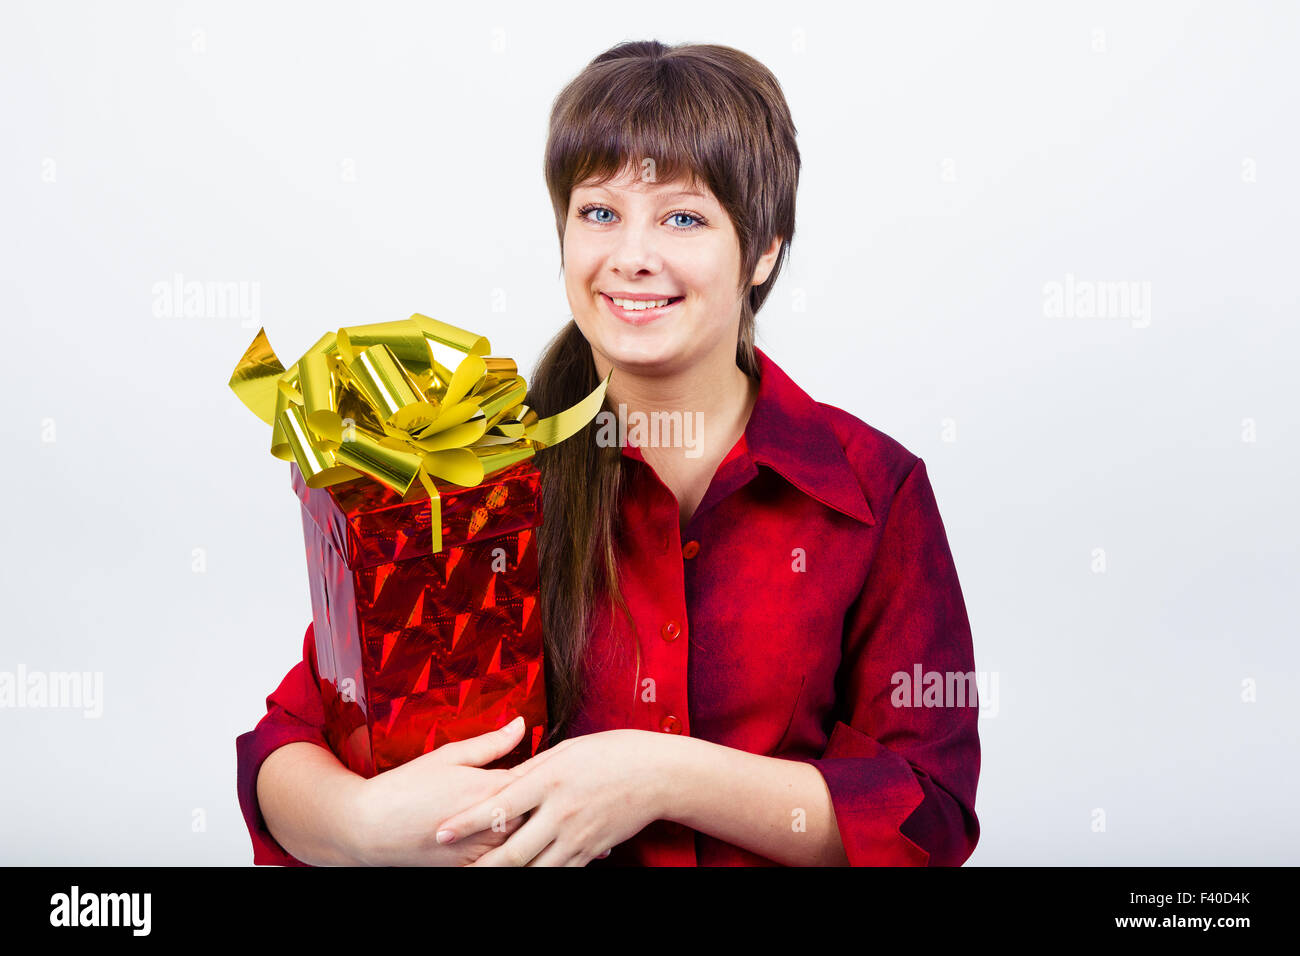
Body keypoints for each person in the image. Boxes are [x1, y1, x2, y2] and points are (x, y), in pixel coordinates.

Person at [236, 39, 981, 867]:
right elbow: (290, 744)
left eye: (683, 217)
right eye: (599, 212)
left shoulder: (876, 490)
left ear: (765, 248)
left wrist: (660, 777)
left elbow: (928, 813)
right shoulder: (470, 475)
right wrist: (361, 827)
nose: (631, 255)